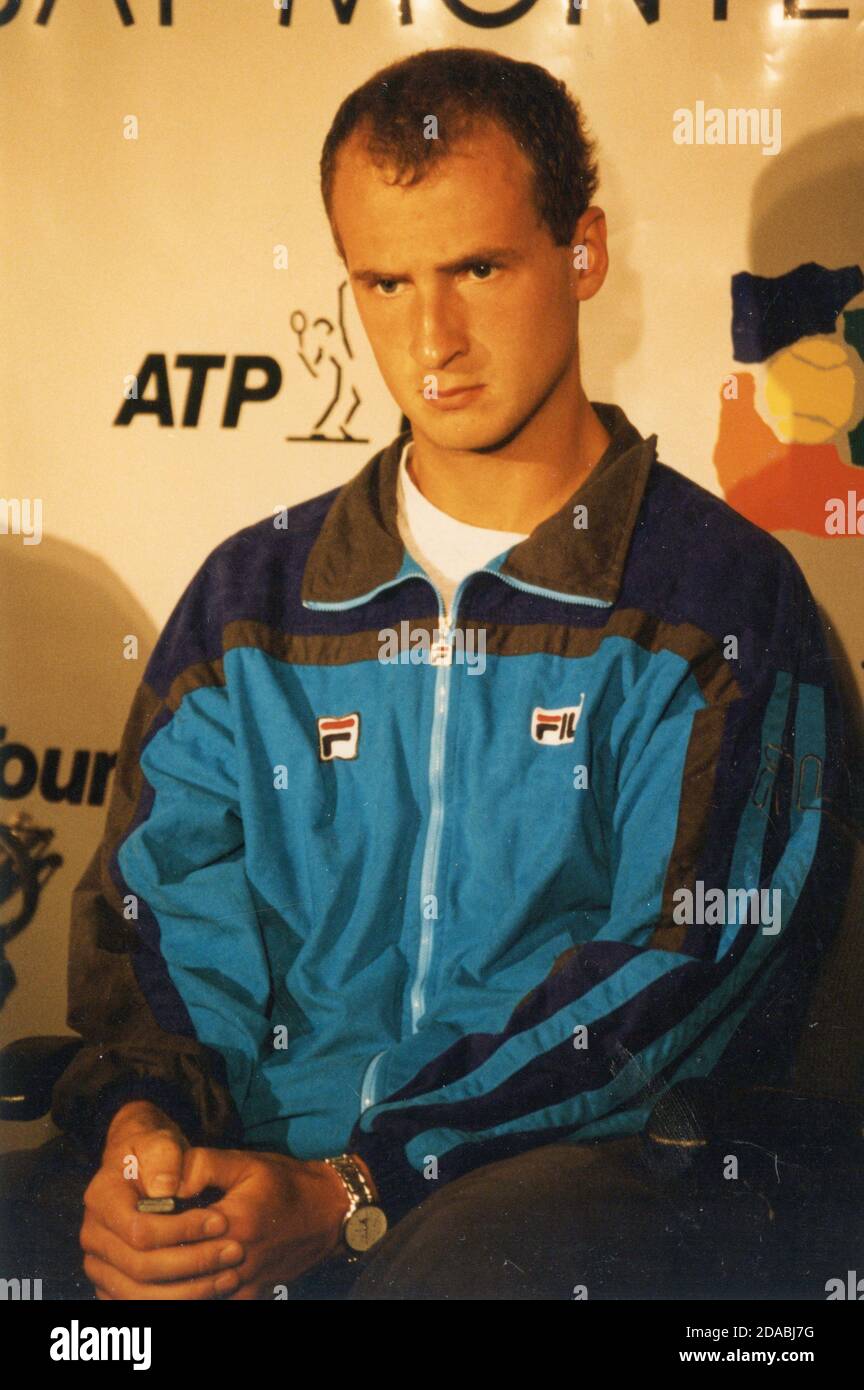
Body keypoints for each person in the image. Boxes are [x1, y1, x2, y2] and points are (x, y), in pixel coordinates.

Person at [1, 47, 852, 1302]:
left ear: (583, 255)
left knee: (462, 1271)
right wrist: (149, 1139)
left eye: (479, 269)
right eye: (385, 283)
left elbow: (680, 983)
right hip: (255, 1179)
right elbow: (154, 924)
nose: (431, 338)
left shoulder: (717, 598)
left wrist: (360, 1186)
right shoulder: (252, 599)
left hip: (547, 1188)